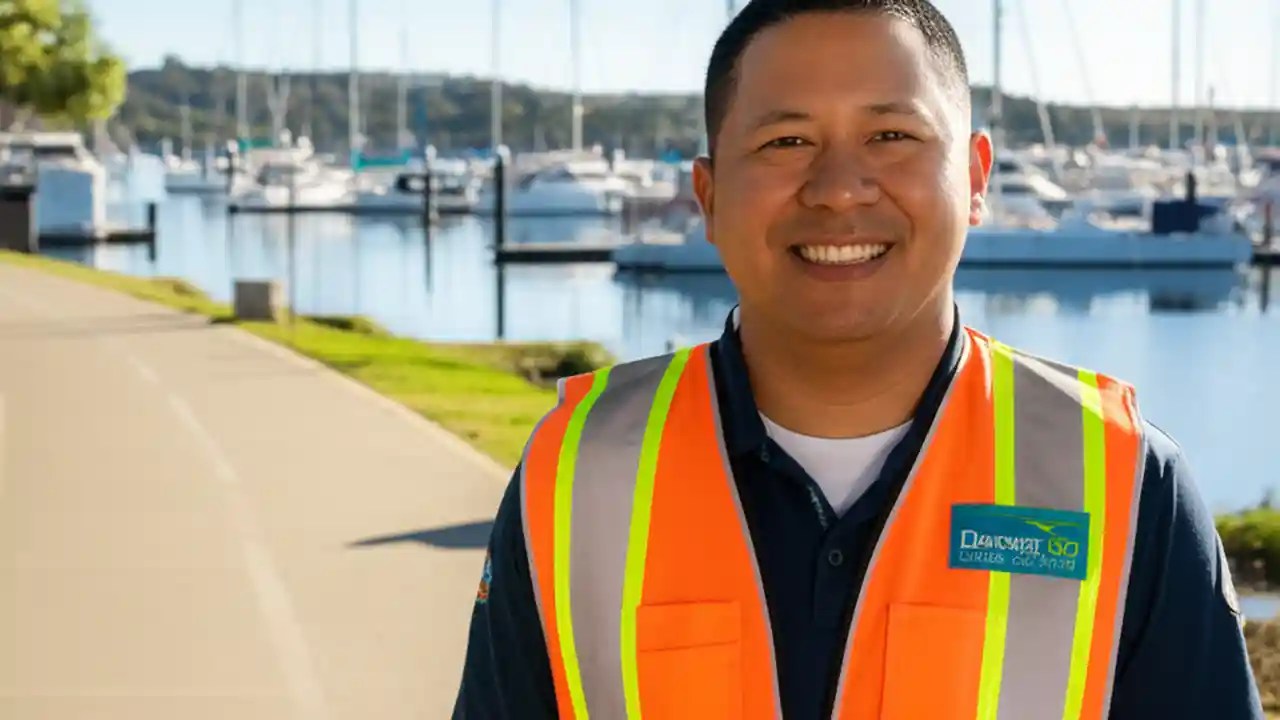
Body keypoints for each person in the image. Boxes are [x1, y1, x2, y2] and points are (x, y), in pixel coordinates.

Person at [453, 0, 1264, 717]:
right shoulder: (582, 469)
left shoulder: (1120, 480)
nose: (839, 188)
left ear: (975, 178)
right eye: (786, 140)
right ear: (708, 197)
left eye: (891, 136)